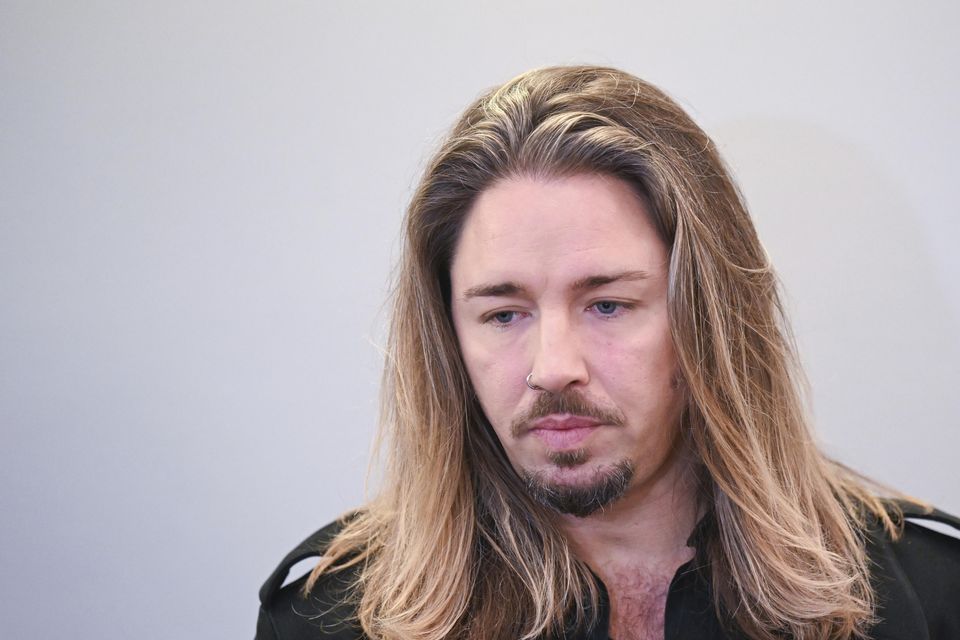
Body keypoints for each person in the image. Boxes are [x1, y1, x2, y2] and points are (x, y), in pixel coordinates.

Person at [256, 66, 960, 640]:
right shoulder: (330, 620)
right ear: (449, 338)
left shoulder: (927, 596)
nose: (552, 366)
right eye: (504, 314)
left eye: (607, 305)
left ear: (708, 320)